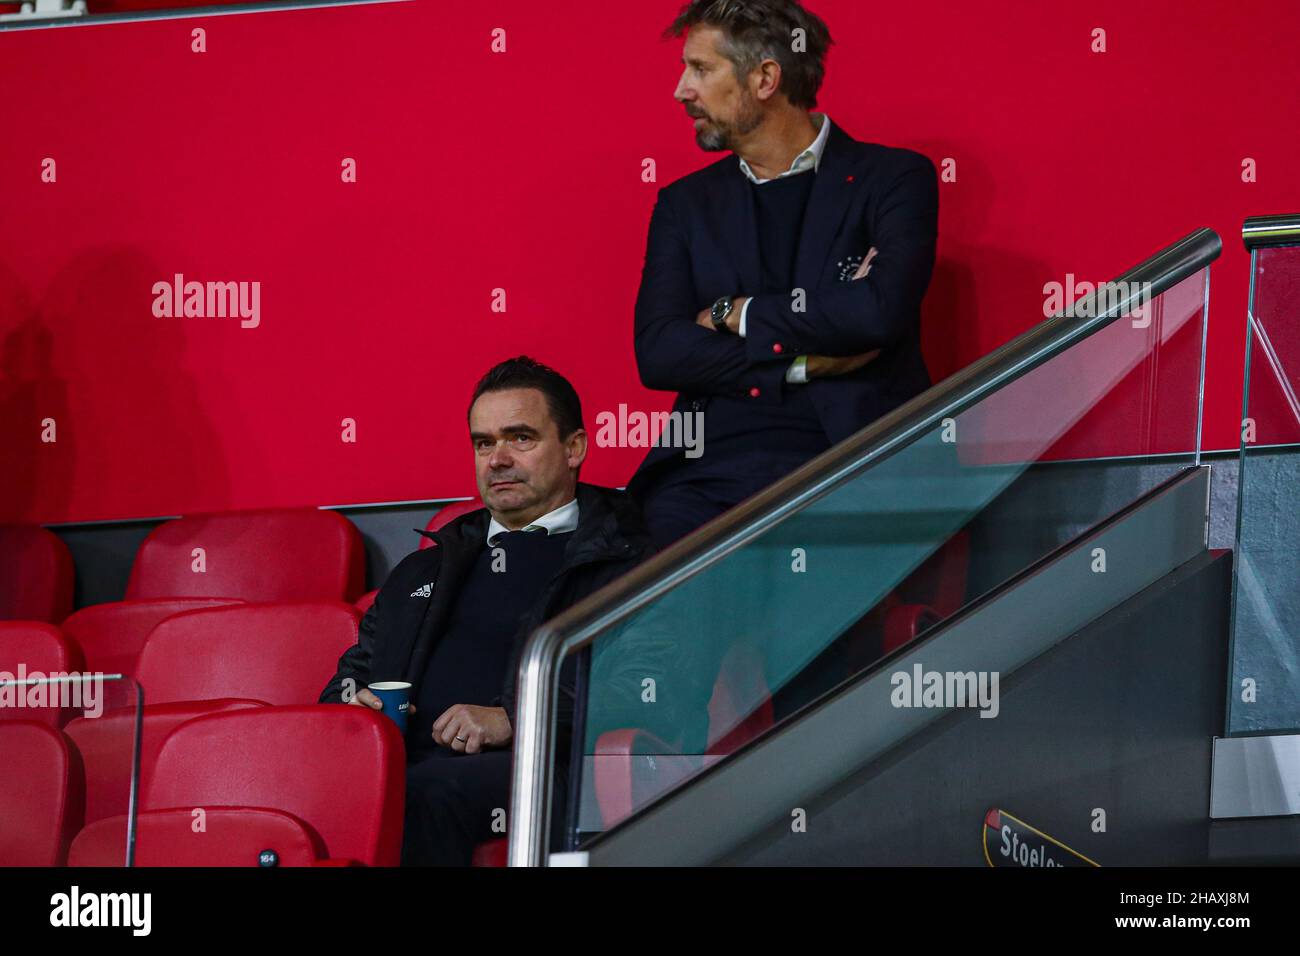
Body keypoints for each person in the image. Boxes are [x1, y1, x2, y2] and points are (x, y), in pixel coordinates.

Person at [319, 356, 657, 865]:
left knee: (423, 794)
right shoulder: (421, 571)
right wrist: (354, 708)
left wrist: (516, 720)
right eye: (484, 443)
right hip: (398, 761)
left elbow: (650, 686)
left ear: (574, 448)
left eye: (520, 437)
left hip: (541, 763)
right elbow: (346, 681)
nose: (497, 459)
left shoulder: (626, 559)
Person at [629, 0, 940, 549]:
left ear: (765, 78)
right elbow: (659, 350)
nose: (682, 90)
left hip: (852, 461)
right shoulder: (684, 204)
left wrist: (735, 313)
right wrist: (798, 363)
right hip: (705, 474)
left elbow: (877, 313)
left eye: (701, 69)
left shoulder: (892, 180)